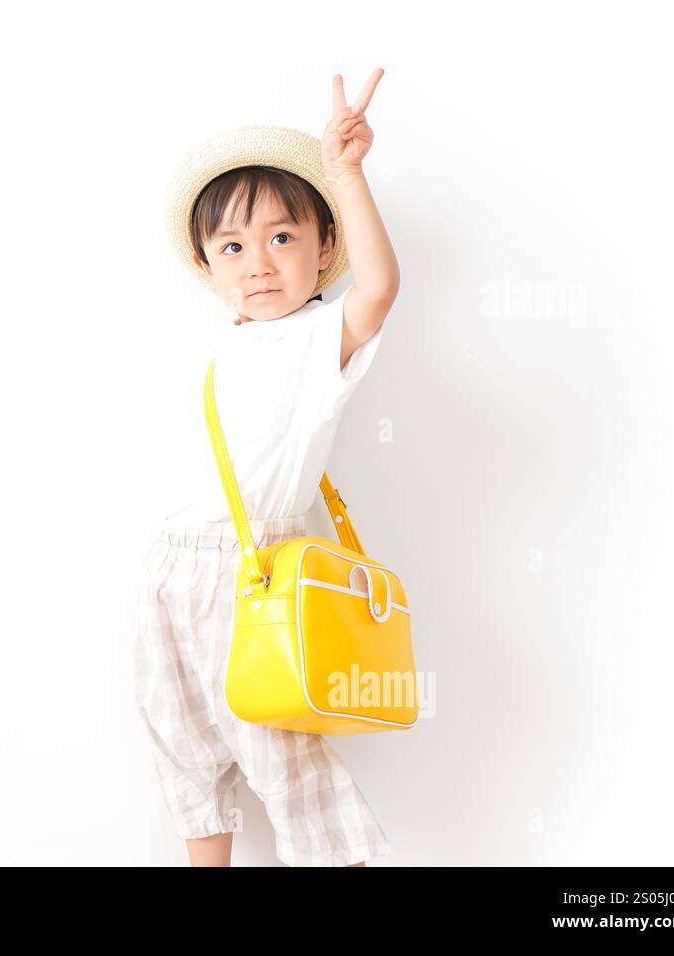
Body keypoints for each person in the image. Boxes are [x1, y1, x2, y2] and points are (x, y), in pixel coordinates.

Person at [131, 69, 400, 867]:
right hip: (172, 569)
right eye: (234, 246)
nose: (259, 263)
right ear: (206, 263)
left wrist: (345, 175)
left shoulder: (319, 339)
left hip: (253, 573)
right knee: (179, 743)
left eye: (283, 238)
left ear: (325, 249)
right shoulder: (223, 346)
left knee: (280, 754)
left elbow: (379, 288)